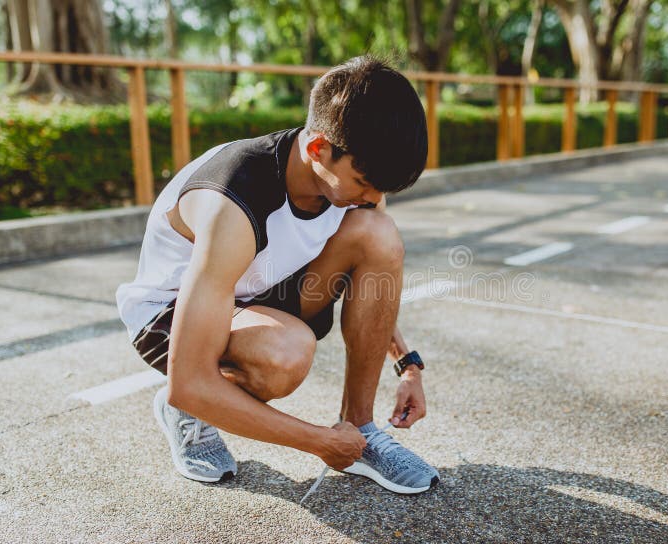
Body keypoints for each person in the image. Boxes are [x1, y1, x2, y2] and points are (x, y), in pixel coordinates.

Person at [115, 55, 439, 494]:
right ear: (318, 149)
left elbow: (373, 283)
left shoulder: (349, 181)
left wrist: (407, 365)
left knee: (378, 234)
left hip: (259, 287)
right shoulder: (234, 201)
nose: (373, 195)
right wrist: (320, 442)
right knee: (284, 354)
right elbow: (188, 382)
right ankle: (189, 415)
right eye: (365, 182)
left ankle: (361, 429)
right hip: (170, 315)